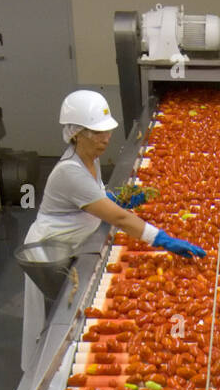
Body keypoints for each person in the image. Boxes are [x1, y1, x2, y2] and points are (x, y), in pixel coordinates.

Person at [19, 90, 205, 368]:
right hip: (52, 251)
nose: (106, 138)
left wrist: (121, 199)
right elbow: (119, 220)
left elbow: (97, 199)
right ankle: (43, 368)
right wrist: (162, 239)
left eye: (107, 131)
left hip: (75, 241)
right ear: (76, 134)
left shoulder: (89, 159)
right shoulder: (69, 170)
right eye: (97, 133)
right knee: (55, 316)